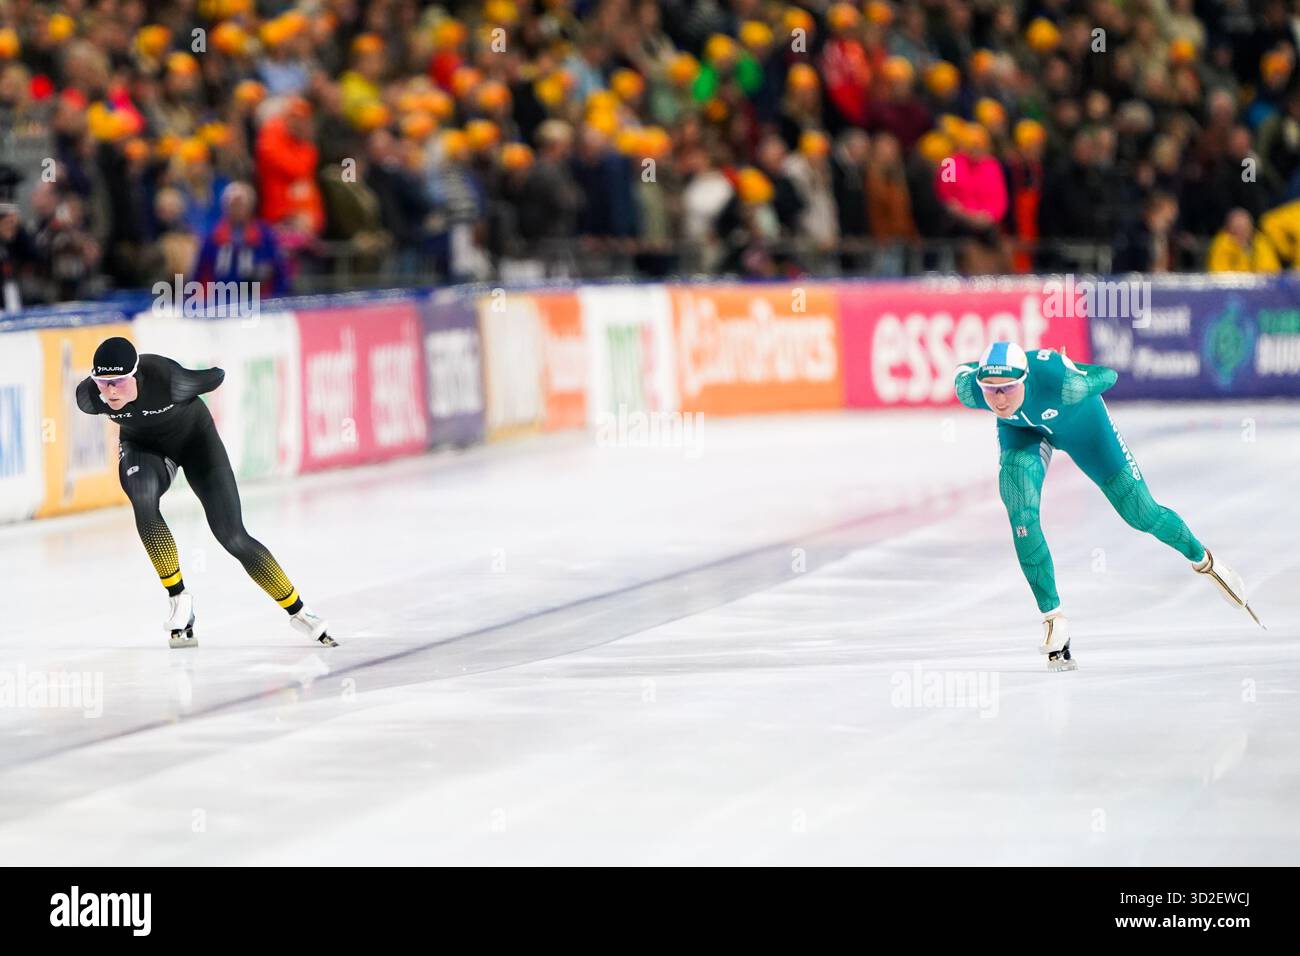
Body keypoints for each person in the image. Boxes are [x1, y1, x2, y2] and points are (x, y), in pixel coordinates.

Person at [953, 342, 1260, 671]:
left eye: (1008, 388)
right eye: (991, 390)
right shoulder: (971, 390)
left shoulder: (1057, 378)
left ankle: (1205, 560)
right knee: (1021, 513)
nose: (999, 399)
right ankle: (1053, 618)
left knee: (1141, 513)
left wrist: (1079, 378)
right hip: (1023, 434)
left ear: (1025, 379)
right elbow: (962, 371)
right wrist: (982, 381)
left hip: (1086, 428)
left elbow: (1108, 375)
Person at [75, 336, 336, 649]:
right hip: (143, 448)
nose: (111, 392)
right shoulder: (89, 398)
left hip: (196, 442)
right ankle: (178, 598)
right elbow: (99, 393)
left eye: (117, 382)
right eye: (103, 383)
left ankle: (300, 612)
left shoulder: (169, 380)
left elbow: (216, 376)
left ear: (135, 375)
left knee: (232, 535)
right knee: (142, 499)